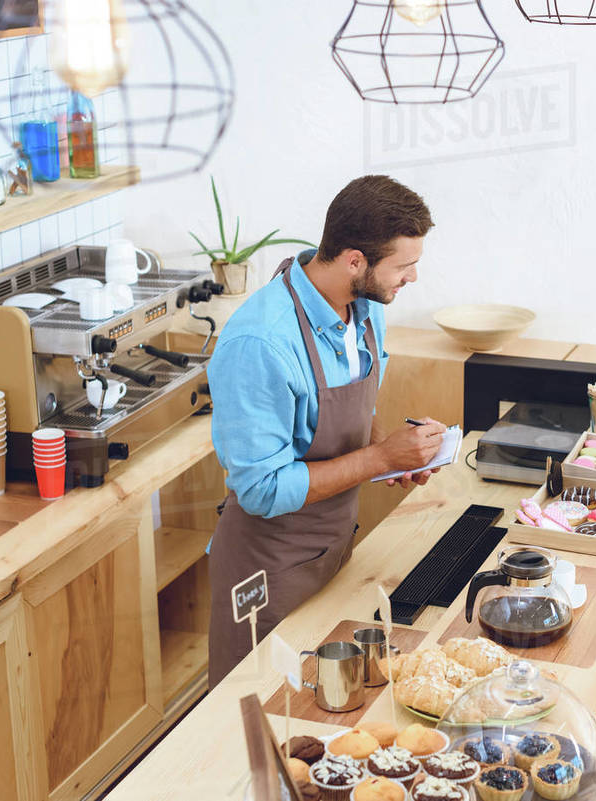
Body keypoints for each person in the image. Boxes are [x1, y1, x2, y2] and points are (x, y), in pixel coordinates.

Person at [206, 175, 447, 687]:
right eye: (403, 266)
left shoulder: (366, 309)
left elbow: (354, 408)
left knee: (324, 716)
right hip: (268, 570)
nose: (413, 277)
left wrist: (394, 453)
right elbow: (262, 489)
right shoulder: (260, 343)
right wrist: (380, 459)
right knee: (255, 718)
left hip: (336, 551)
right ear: (355, 261)